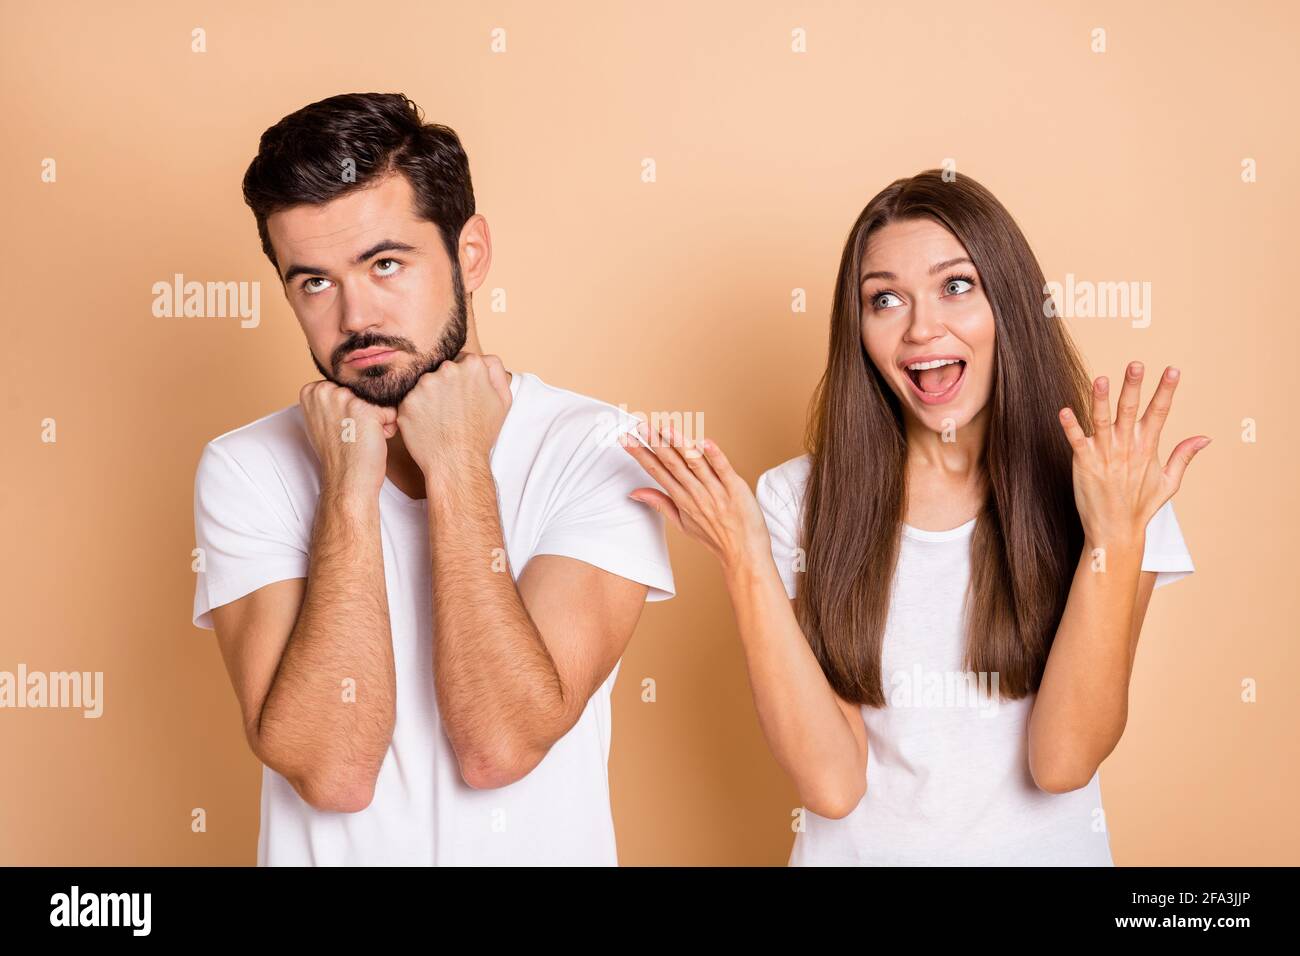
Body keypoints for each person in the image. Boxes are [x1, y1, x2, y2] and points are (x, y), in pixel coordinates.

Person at [619, 170, 1206, 865]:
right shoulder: (796, 500)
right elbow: (832, 785)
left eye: (956, 285)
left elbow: (1064, 762)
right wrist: (745, 559)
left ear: (1009, 305)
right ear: (859, 329)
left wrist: (1114, 536)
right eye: (885, 299)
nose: (922, 327)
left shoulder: (1109, 490)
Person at [191, 92, 675, 865]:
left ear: (470, 253)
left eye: (386, 264)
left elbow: (502, 744)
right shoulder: (248, 469)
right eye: (313, 282)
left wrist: (456, 464)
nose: (354, 316)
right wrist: (348, 488)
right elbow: (331, 771)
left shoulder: (595, 448)